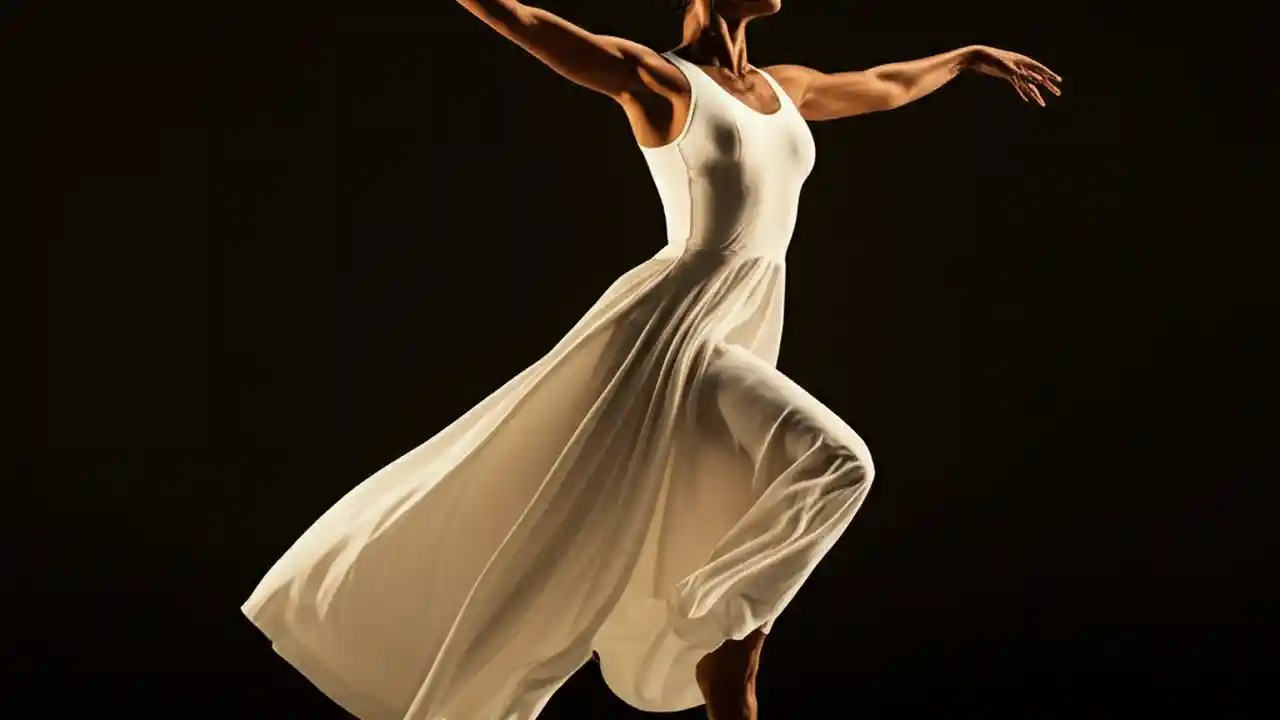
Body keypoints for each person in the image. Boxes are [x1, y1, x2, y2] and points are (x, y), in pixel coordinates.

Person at [240, 1, 1061, 718]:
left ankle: (725, 642)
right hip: (681, 332)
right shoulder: (659, 81)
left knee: (716, 511)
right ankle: (718, 632)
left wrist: (964, 59)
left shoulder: (787, 89)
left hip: (741, 330)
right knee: (836, 463)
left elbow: (882, 84)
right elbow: (524, 22)